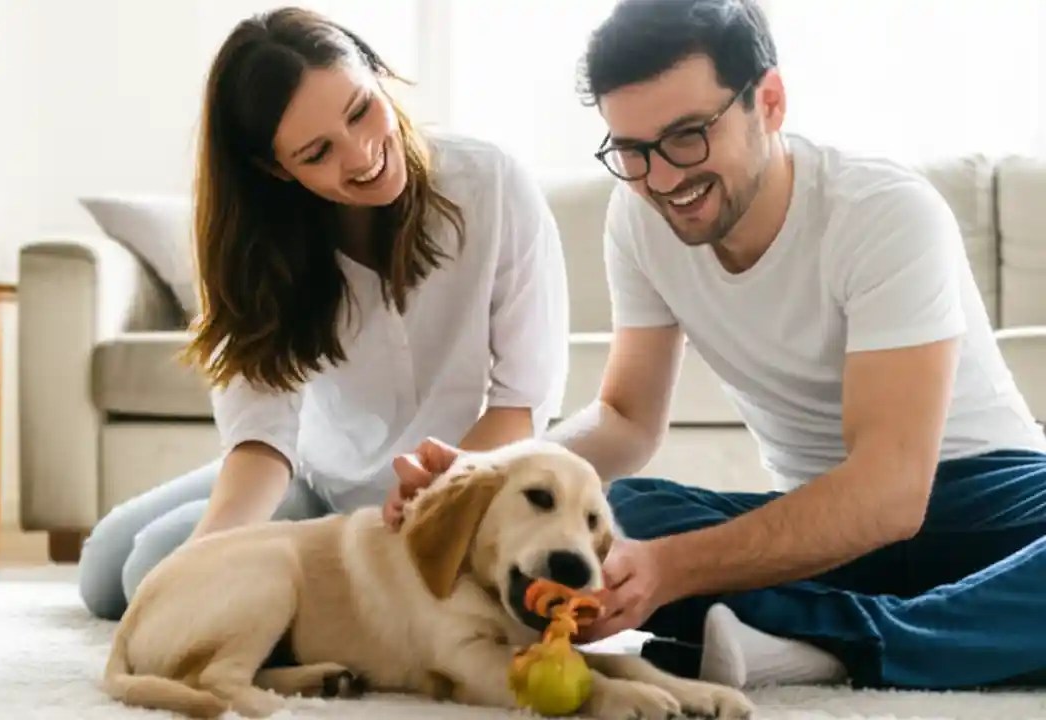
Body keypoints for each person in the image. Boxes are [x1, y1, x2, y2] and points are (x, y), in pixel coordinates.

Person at [387, 0, 1046, 693]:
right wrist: (486, 475)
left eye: (688, 136)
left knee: (672, 555)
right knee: (632, 510)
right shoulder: (639, 221)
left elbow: (889, 494)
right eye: (633, 152)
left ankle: (842, 643)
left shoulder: (882, 212)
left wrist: (677, 570)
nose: (664, 178)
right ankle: (942, 635)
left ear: (770, 102)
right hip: (817, 523)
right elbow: (625, 421)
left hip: (986, 496)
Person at [76, 6, 570, 621]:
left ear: (374, 70)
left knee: (150, 566)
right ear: (274, 169)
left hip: (459, 485)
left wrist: (424, 513)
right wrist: (209, 555)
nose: (362, 154)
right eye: (318, 153)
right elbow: (261, 436)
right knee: (111, 573)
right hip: (315, 477)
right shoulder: (259, 248)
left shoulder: (491, 184)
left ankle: (312, 615)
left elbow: (520, 403)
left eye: (362, 109)